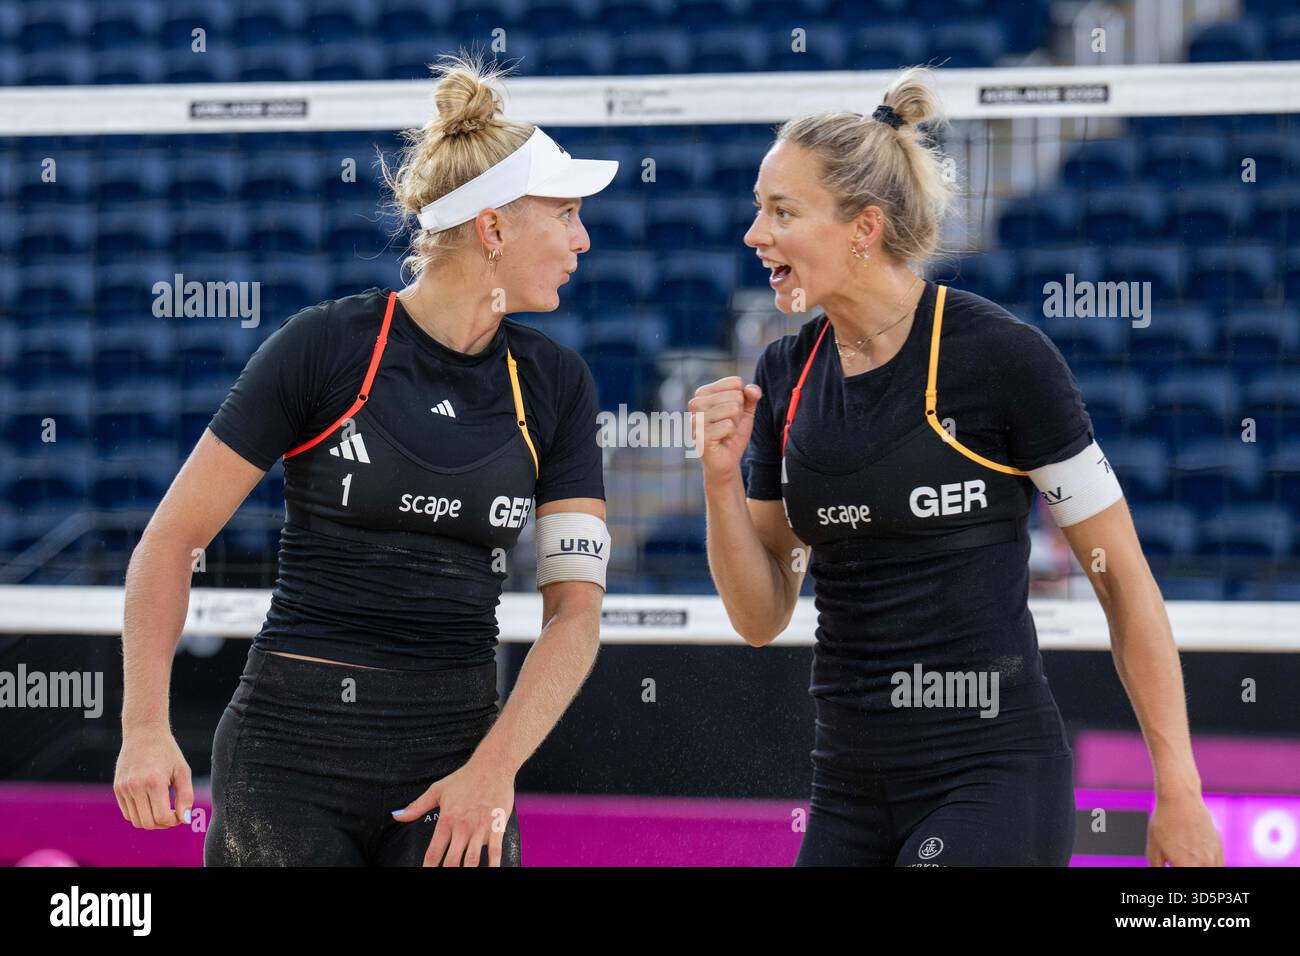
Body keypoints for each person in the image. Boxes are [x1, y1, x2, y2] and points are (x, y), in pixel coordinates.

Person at [691, 66, 1223, 866]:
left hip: (992, 773)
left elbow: (1123, 580)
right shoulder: (786, 375)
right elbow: (760, 617)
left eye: (781, 212)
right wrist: (720, 481)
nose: (754, 235)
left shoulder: (1001, 358)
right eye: (758, 210)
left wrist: (1178, 791)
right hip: (847, 785)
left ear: (864, 227)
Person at [113, 54, 617, 866]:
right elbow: (169, 542)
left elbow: (575, 614)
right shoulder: (327, 346)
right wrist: (144, 728)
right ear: (492, 227)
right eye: (564, 214)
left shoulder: (555, 384)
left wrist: (495, 769)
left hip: (456, 751)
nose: (582, 239)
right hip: (290, 755)